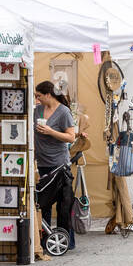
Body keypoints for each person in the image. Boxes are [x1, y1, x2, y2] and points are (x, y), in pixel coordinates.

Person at [34, 80, 78, 250]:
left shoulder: (63, 112)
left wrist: (51, 132)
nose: (37, 100)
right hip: (42, 163)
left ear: (48, 95)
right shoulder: (37, 110)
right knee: (43, 203)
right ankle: (44, 241)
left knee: (63, 204)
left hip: (59, 163)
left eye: (39, 96)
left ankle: (66, 241)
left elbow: (71, 137)